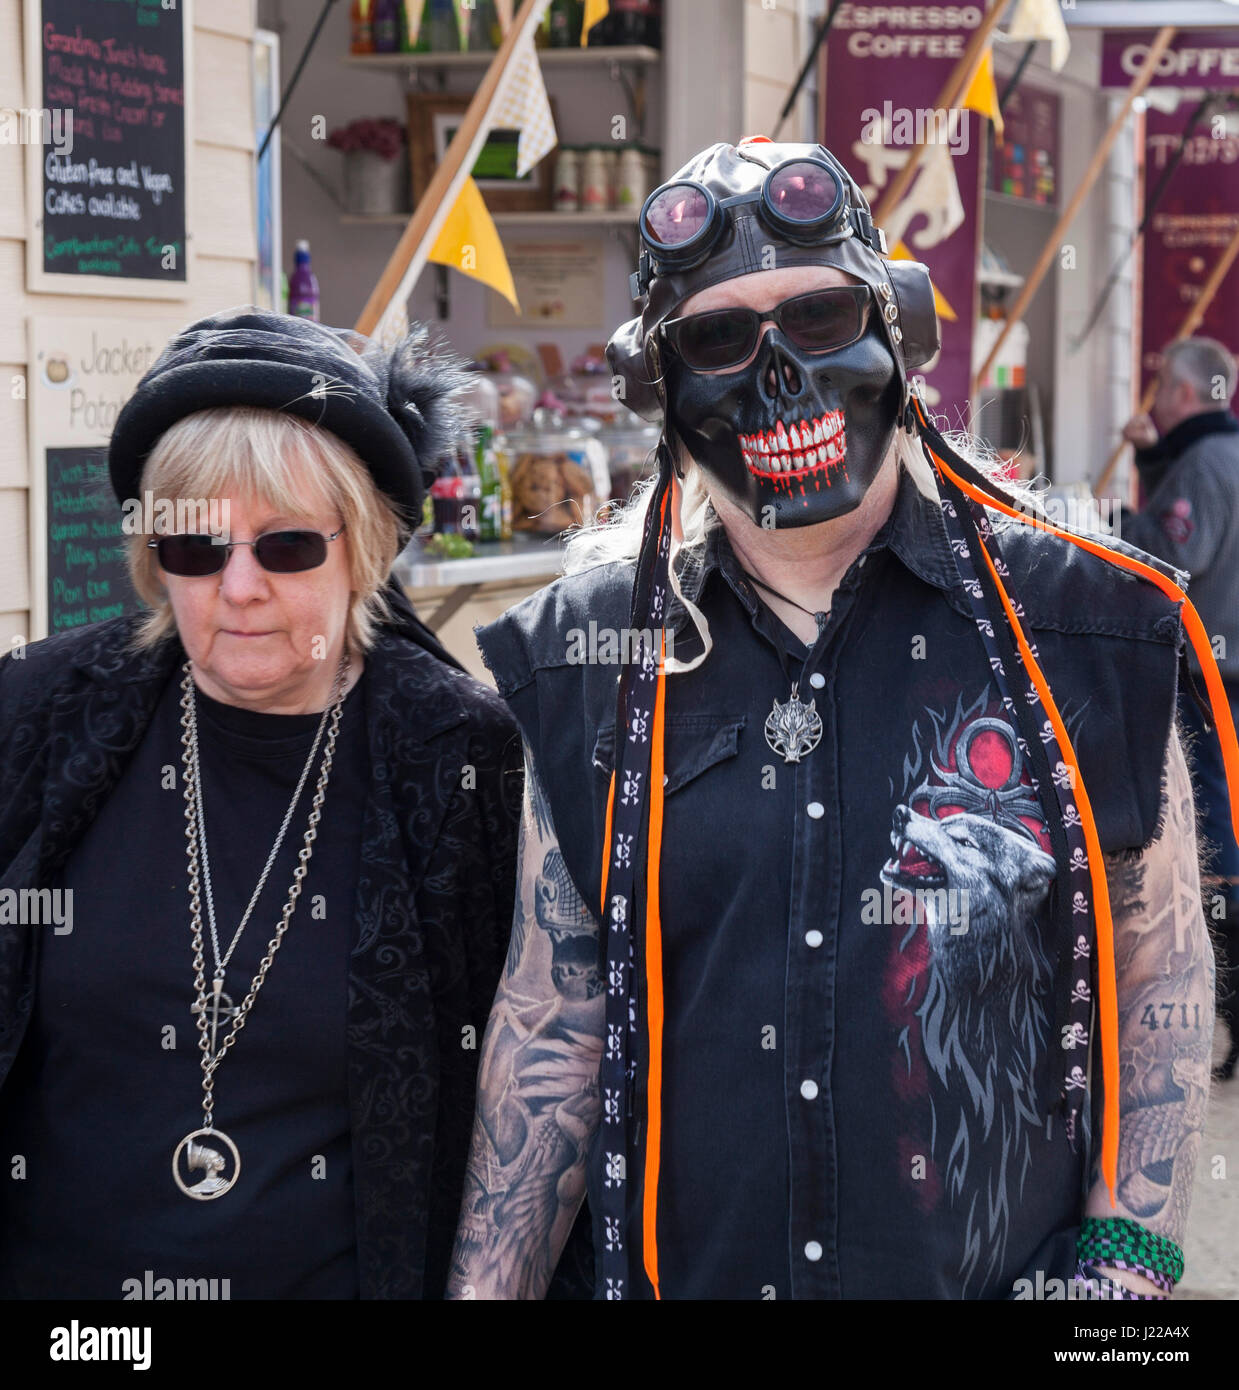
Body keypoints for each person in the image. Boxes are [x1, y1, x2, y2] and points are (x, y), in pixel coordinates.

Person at [449, 139, 1229, 1301]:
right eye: (717, 341)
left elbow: (1157, 958)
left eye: (819, 321)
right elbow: (553, 1021)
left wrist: (1133, 1272)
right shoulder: (591, 655)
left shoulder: (1088, 624)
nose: (777, 385)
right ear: (657, 387)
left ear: (899, 337)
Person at [0, 308, 524, 1299]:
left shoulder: (460, 761)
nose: (237, 587)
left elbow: (530, 1095)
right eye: (195, 549)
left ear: (362, 546)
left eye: (285, 547)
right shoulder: (40, 716)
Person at [1120, 338, 1239, 1080]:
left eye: (1163, 386)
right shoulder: (1213, 453)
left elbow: (1174, 552)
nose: (1156, 398)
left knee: (1208, 816)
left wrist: (1107, 522)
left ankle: (1219, 968)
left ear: (1187, 394)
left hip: (1208, 667)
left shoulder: (1203, 462)